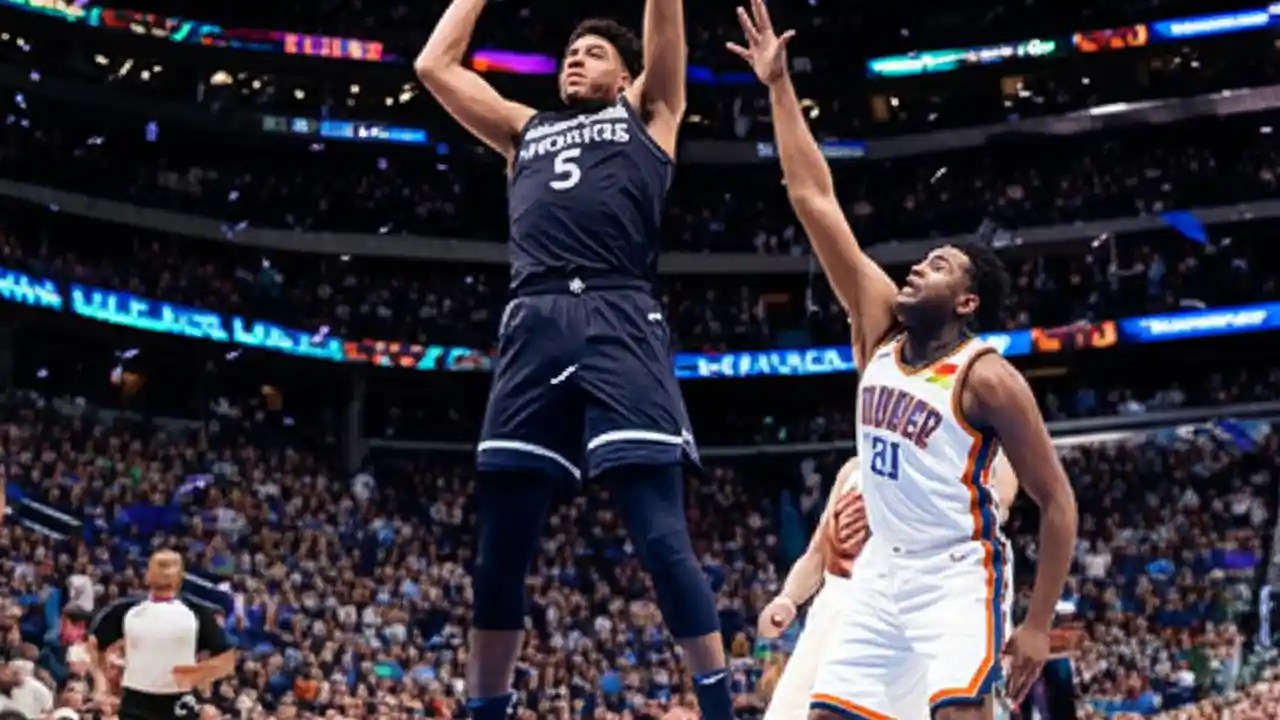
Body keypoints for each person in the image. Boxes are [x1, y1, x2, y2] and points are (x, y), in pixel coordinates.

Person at [727, 3, 1079, 718]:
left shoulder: (988, 377)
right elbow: (813, 198)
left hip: (957, 574)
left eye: (939, 266)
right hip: (880, 574)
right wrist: (778, 86)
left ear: (967, 302)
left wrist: (1039, 624)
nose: (918, 267)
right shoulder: (879, 330)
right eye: (923, 260)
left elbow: (1057, 500)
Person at [414, 3, 736, 719]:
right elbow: (433, 66)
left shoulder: (647, 111)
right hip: (533, 318)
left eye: (593, 52)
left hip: (618, 312)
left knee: (660, 536)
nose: (575, 58)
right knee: (500, 548)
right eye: (571, 51)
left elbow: (666, 32)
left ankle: (720, 709)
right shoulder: (522, 128)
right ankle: (486, 711)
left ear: (625, 76)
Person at [760, 454, 1020, 720]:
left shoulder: (951, 471)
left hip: (896, 613)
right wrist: (787, 599)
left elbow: (1001, 496)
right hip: (831, 613)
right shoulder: (854, 471)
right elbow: (816, 554)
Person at [85, 550, 236, 720]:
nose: (165, 572)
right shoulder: (126, 610)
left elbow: (227, 658)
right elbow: (93, 644)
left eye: (170, 567)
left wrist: (198, 676)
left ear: (179, 577)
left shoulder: (197, 614)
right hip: (135, 702)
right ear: (147, 575)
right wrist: (101, 684)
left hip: (179, 703)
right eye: (160, 566)